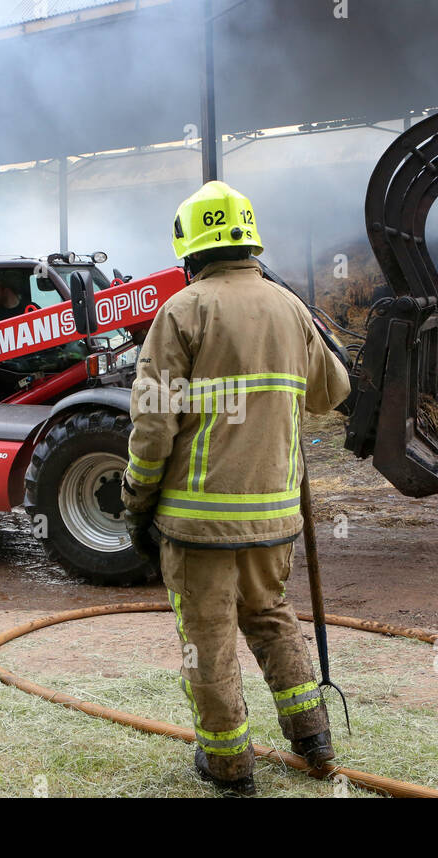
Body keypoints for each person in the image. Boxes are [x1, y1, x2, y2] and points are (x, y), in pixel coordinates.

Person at [121, 181, 352, 796]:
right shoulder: (290, 307)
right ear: (250, 241)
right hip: (274, 520)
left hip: (198, 526)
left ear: (189, 252)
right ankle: (314, 737)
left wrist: (136, 500)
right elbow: (333, 392)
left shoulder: (183, 311)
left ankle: (228, 767)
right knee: (272, 618)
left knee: (210, 641)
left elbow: (152, 423)